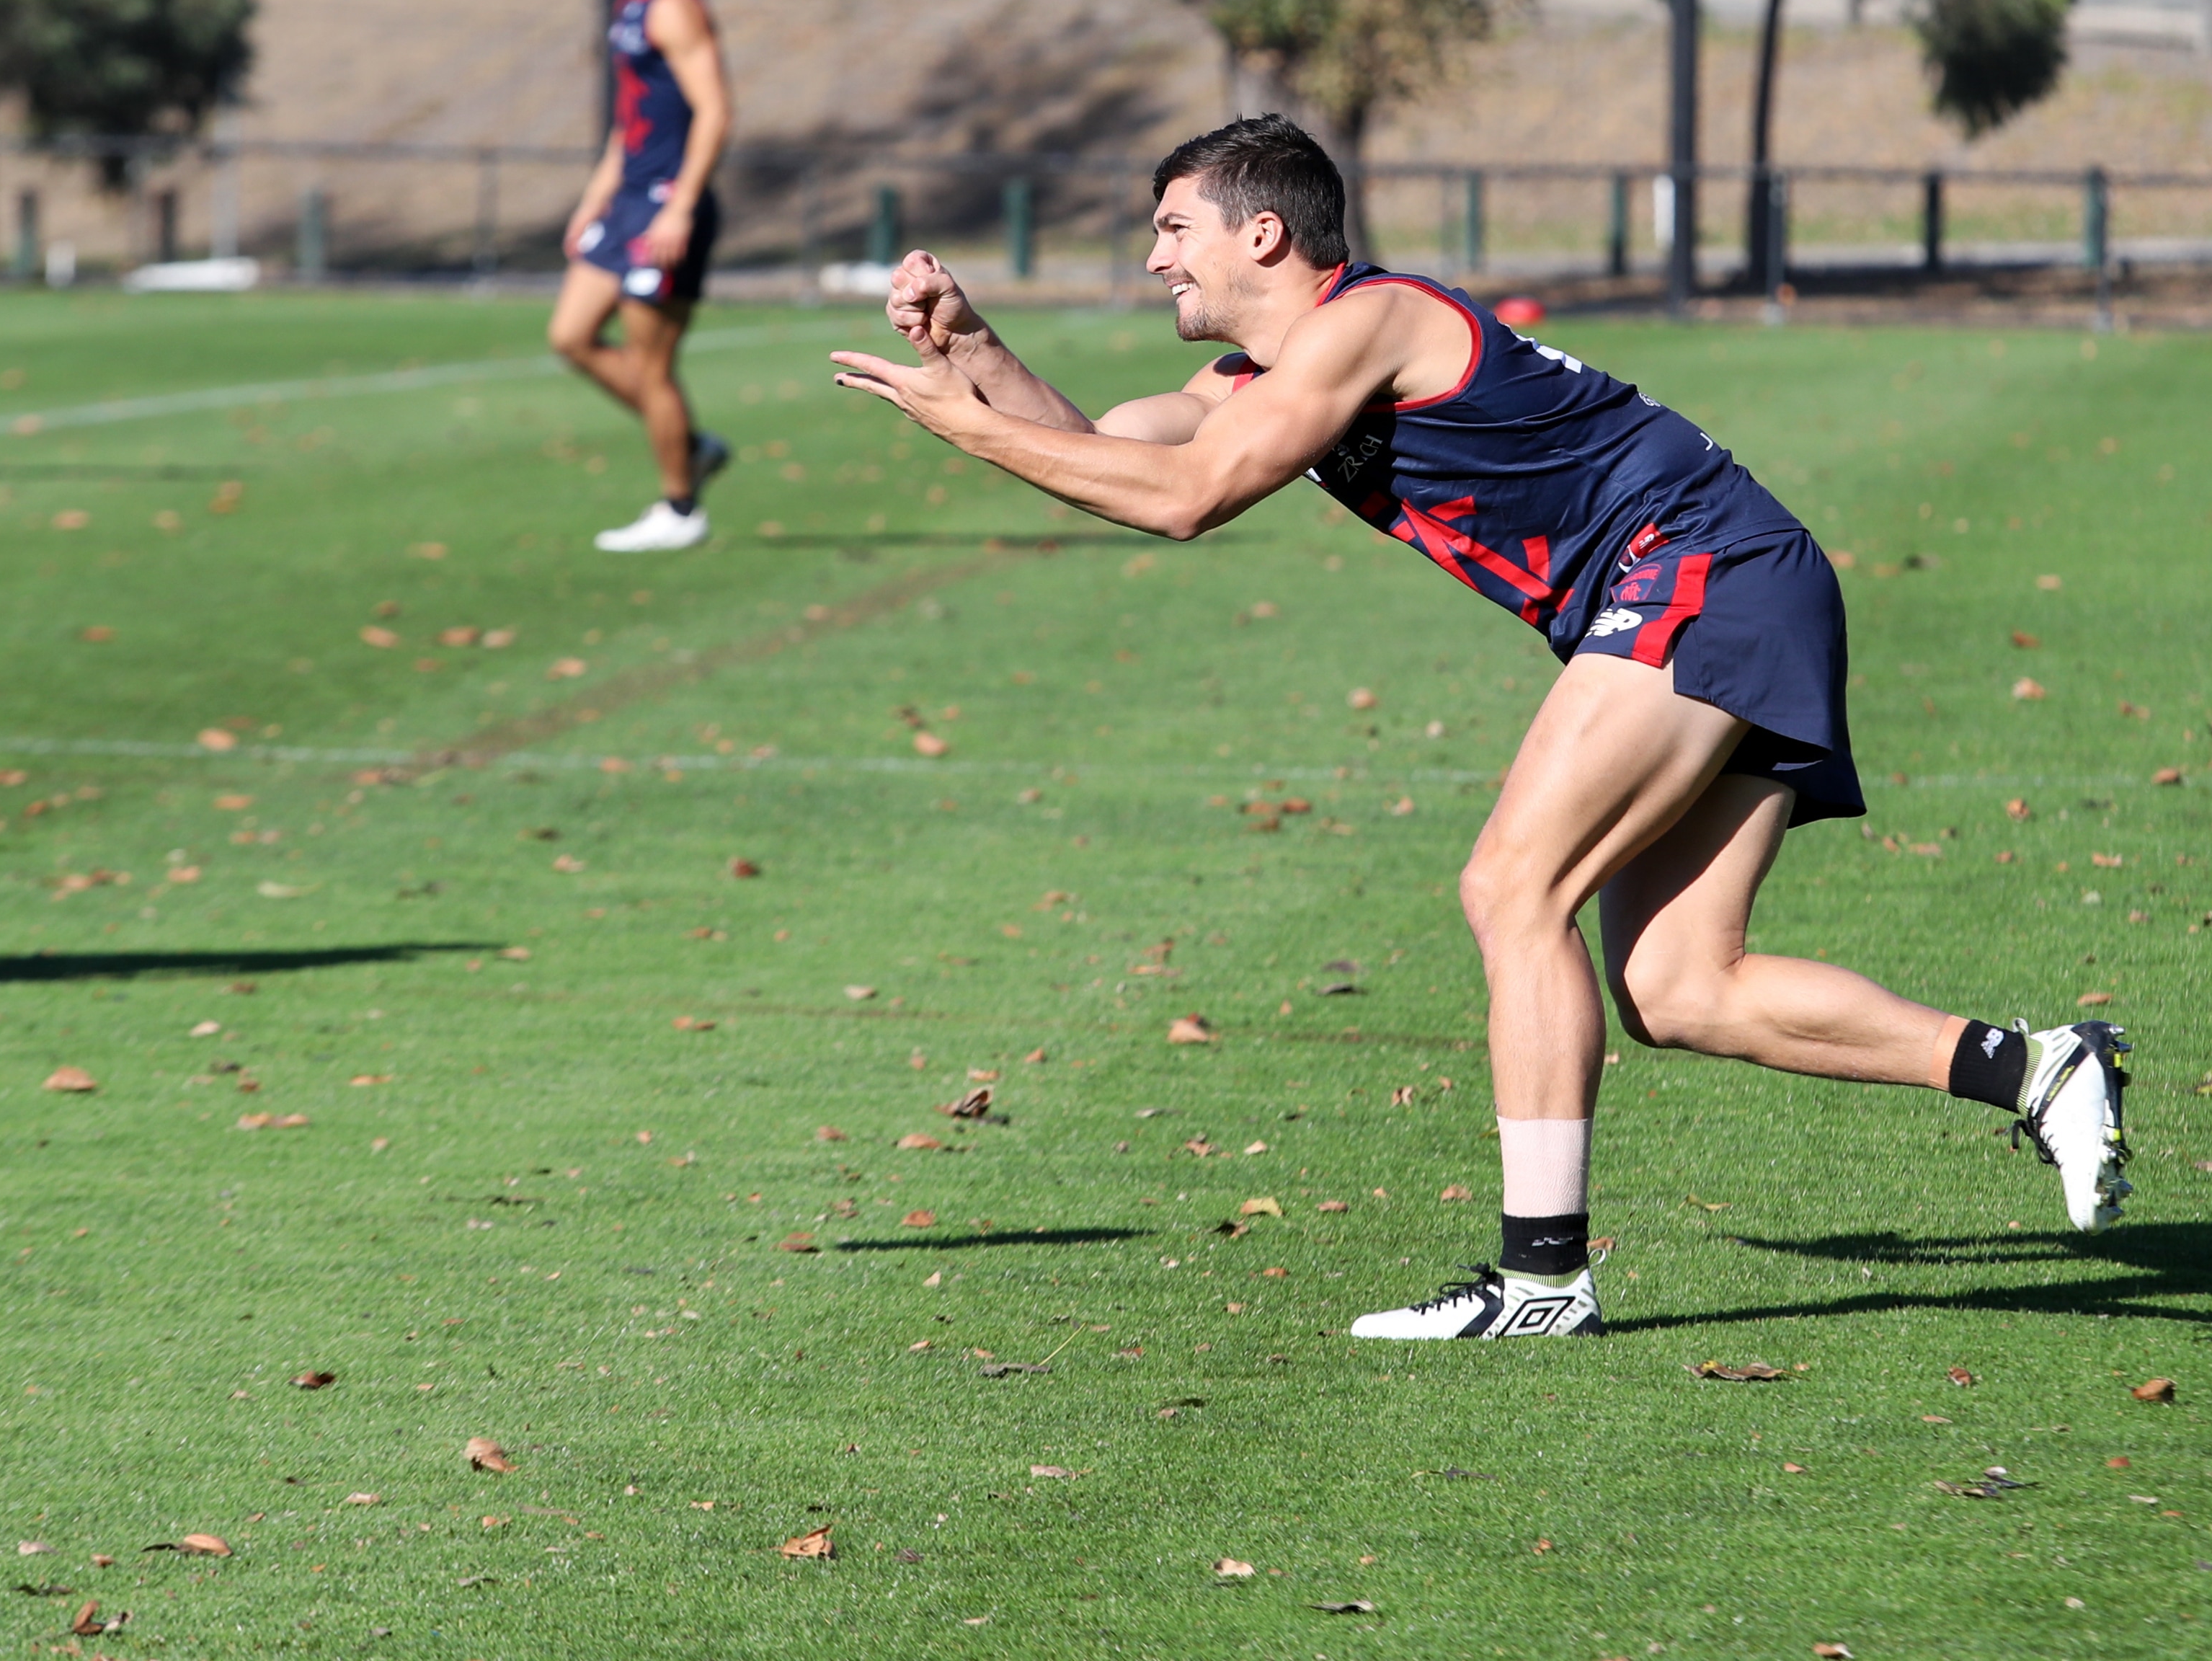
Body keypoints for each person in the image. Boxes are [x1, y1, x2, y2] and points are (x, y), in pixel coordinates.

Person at [830, 115, 2131, 1341]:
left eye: (1176, 227)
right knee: (1680, 989)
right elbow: (1113, 450)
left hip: (1698, 573)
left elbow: (1185, 502)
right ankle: (2034, 1071)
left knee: (1513, 887)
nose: (1155, 254)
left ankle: (1541, 1278)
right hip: (1725, 582)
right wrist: (976, 352)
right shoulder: (1271, 376)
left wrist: (963, 431)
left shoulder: (1370, 321)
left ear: (1263, 237)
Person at [553, 0, 734, 553]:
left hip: (666, 208)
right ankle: (690, 445)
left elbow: (715, 111)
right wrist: (594, 200)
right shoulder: (630, 6)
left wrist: (680, 207)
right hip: (626, 201)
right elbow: (629, 122)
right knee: (570, 335)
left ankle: (681, 508)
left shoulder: (675, 6)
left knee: (651, 367)